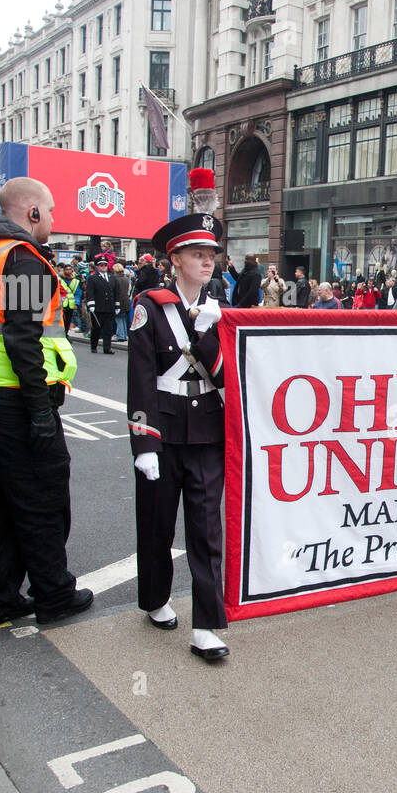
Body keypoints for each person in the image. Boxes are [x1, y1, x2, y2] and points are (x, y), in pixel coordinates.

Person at [0, 176, 90, 628]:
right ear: (33, 212)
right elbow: (22, 340)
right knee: (42, 499)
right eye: (50, 211)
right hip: (14, 401)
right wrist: (39, 412)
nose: (53, 220)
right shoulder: (23, 259)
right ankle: (54, 593)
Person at [127, 213, 230, 662]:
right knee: (156, 523)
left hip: (207, 428)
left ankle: (206, 624)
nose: (207, 262)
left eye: (211, 255)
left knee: (207, 531)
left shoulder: (219, 306)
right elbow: (141, 380)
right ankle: (154, 598)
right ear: (175, 259)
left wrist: (208, 332)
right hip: (164, 429)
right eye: (197, 254)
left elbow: (228, 376)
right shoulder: (148, 306)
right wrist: (144, 442)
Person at [86, 255, 120, 354]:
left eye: (105, 264)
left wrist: (117, 305)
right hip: (98, 307)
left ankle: (107, 348)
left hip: (109, 307)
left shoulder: (112, 277)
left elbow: (116, 292)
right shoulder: (93, 278)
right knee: (96, 328)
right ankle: (94, 346)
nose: (103, 266)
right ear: (97, 266)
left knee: (108, 329)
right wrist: (91, 305)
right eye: (101, 265)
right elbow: (90, 292)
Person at [59, 262, 81, 334]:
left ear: (72, 270)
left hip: (70, 304)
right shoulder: (60, 279)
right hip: (61, 304)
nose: (68, 271)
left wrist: (76, 303)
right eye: (66, 269)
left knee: (68, 321)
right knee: (61, 321)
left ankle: (66, 335)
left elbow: (77, 293)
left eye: (69, 269)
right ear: (64, 270)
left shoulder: (75, 281)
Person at [112, 262, 132, 341]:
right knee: (123, 318)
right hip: (125, 300)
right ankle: (123, 335)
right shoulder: (126, 279)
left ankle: (120, 335)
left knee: (118, 319)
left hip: (118, 301)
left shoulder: (115, 279)